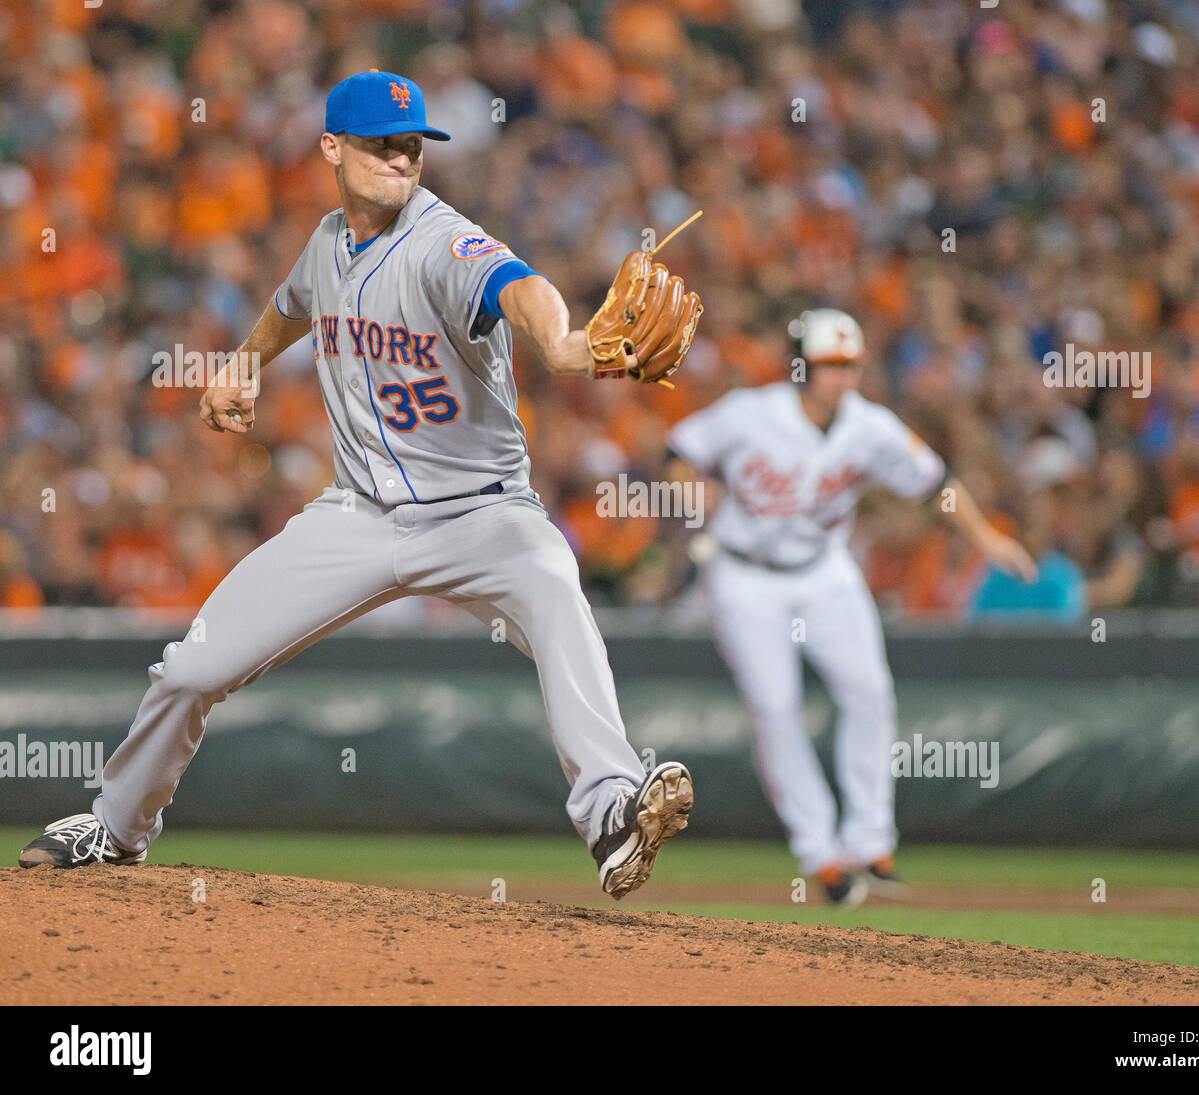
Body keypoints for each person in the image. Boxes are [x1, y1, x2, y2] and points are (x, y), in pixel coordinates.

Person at [19, 70, 694, 900]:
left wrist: (561, 344)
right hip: (357, 517)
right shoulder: (325, 244)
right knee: (192, 670)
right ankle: (117, 829)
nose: (400, 157)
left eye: (411, 144)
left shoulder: (445, 242)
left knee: (559, 599)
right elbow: (292, 303)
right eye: (380, 143)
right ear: (332, 149)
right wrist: (243, 364)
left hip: (481, 514)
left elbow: (520, 288)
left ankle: (613, 813)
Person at [666, 309, 1034, 904]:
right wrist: (694, 490)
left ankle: (871, 844)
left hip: (824, 572)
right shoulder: (751, 414)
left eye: (850, 365)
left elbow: (937, 481)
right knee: (775, 708)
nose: (843, 376)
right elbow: (679, 449)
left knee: (869, 692)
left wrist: (986, 537)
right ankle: (821, 854)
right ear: (800, 368)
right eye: (830, 365)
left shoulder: (870, 427)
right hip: (744, 576)